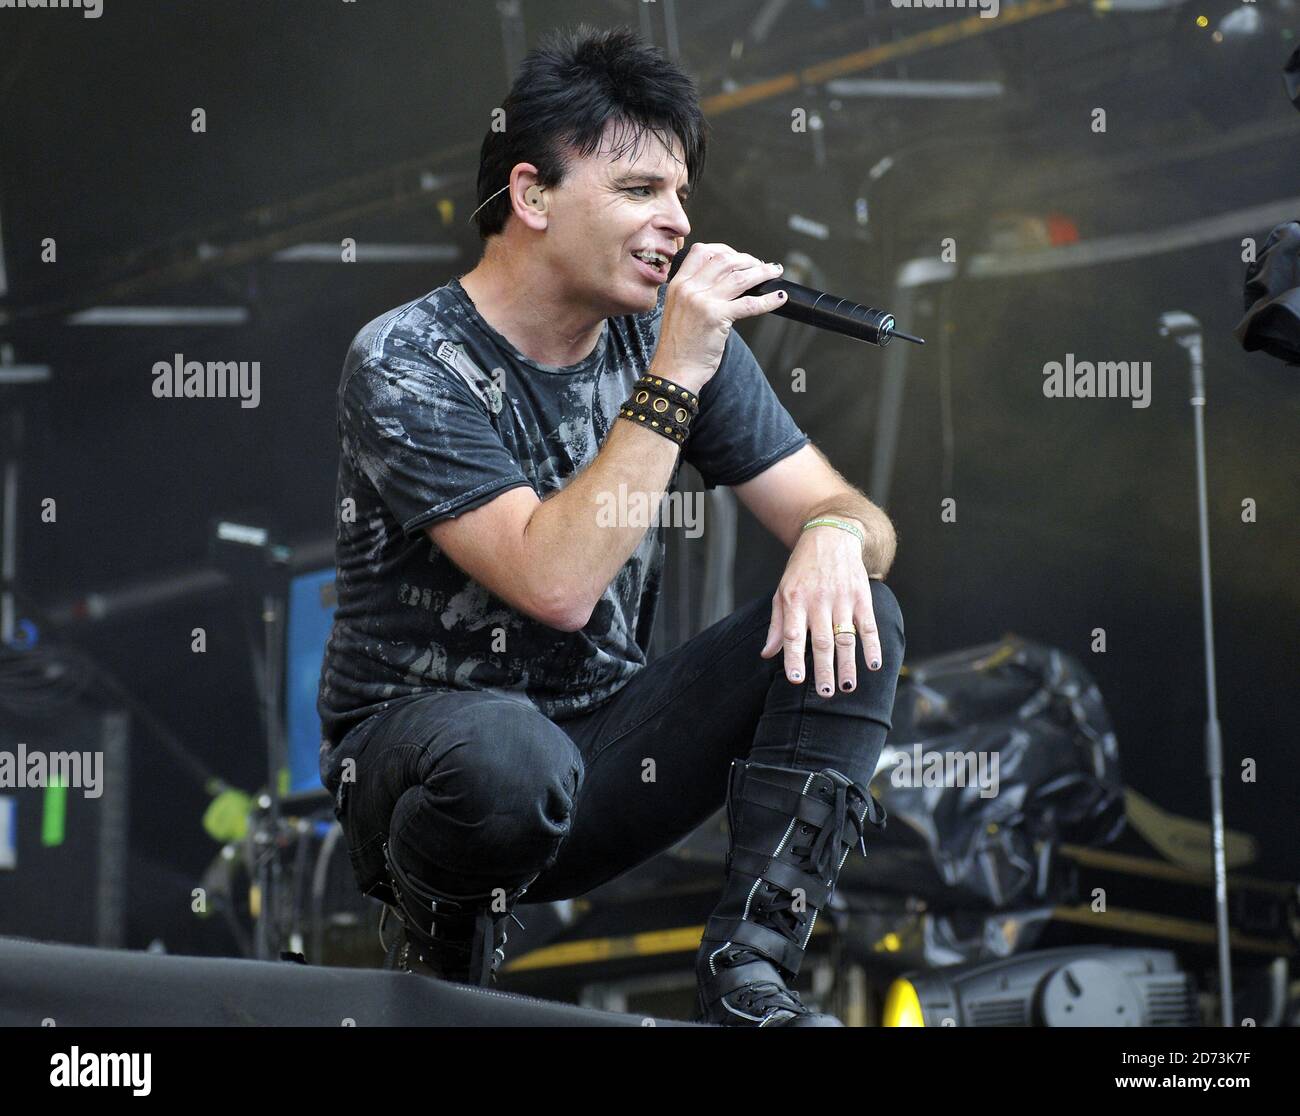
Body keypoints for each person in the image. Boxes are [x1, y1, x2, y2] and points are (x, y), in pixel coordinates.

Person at [317, 24, 903, 1027]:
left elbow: (857, 516)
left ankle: (750, 973)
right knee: (506, 755)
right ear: (531, 195)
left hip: (600, 746)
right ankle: (437, 959)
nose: (677, 221)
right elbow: (555, 585)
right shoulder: (408, 360)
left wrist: (832, 539)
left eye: (680, 193)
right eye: (639, 190)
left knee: (863, 617)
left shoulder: (666, 335)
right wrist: (675, 370)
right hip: (422, 768)